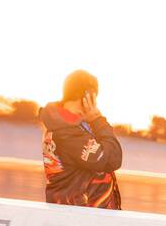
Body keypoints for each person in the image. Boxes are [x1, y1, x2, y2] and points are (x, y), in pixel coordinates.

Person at [40, 70, 123, 209]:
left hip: (80, 216)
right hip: (81, 218)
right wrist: (98, 120)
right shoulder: (66, 132)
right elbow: (113, 158)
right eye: (94, 97)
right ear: (87, 96)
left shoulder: (70, 126)